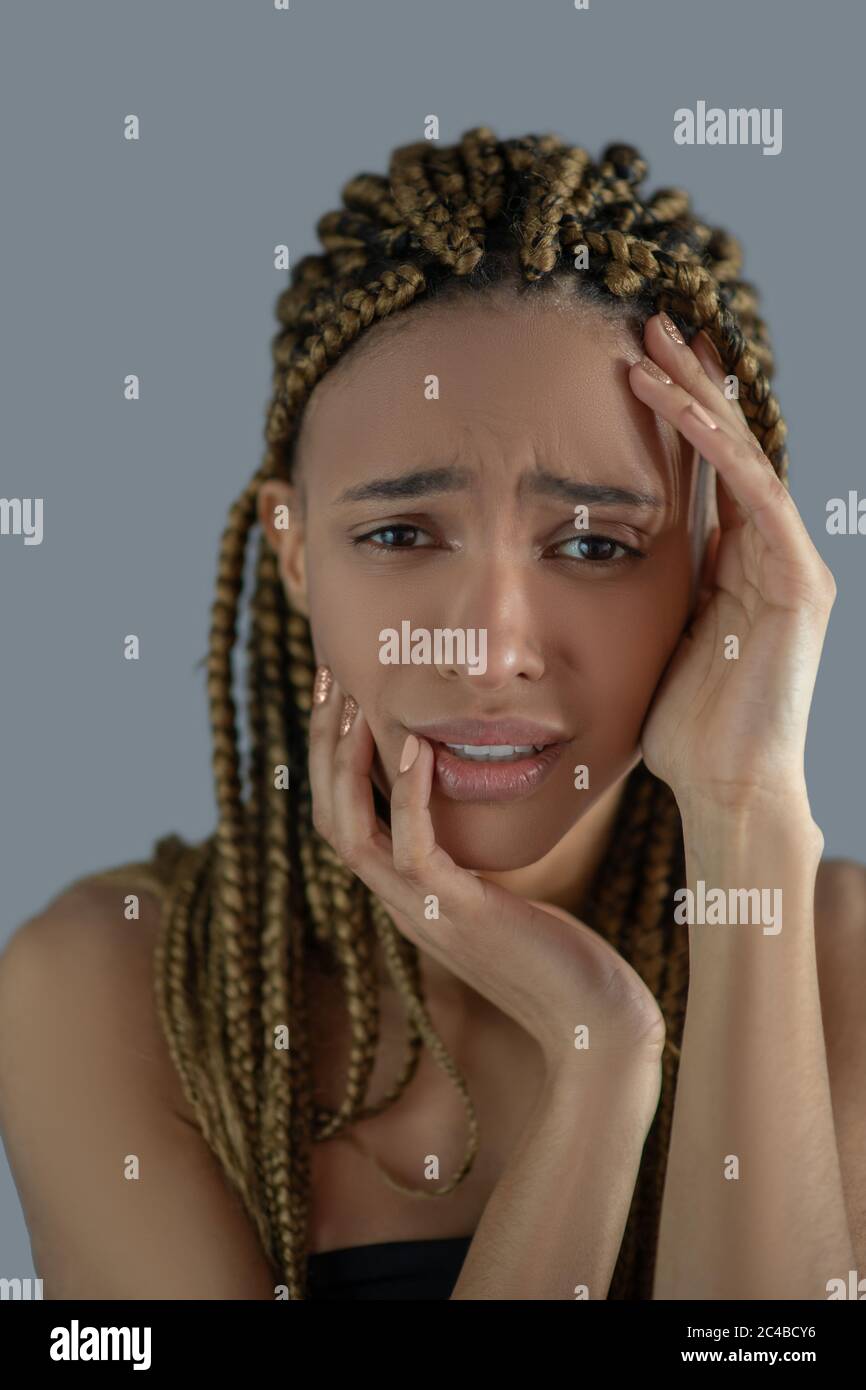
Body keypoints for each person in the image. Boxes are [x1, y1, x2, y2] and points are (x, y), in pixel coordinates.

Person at [0, 127, 863, 1301]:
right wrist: (598, 1060)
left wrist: (745, 814)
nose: (490, 648)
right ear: (294, 555)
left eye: (595, 542)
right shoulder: (107, 984)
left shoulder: (839, 965)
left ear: (717, 566)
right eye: (401, 535)